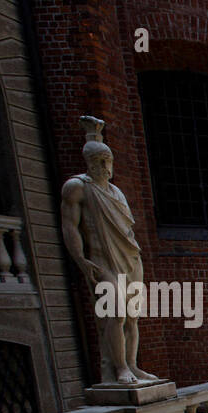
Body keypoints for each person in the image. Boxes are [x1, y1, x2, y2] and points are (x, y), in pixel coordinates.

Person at [60, 115, 157, 386]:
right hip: (102, 261)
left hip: (129, 258)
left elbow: (127, 230)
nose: (103, 167)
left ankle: (134, 366)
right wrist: (80, 260)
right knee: (115, 314)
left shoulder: (116, 193)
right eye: (97, 162)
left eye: (107, 161)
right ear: (88, 164)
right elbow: (71, 227)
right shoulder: (77, 188)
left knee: (132, 319)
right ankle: (120, 368)